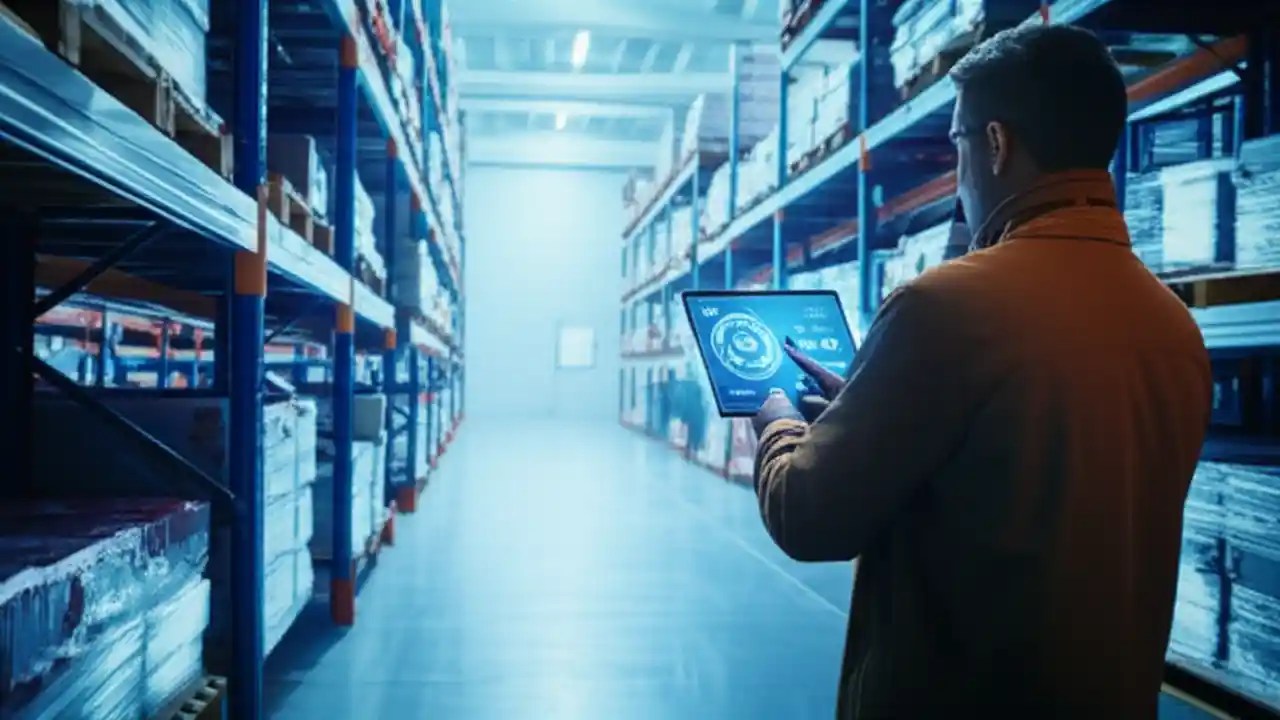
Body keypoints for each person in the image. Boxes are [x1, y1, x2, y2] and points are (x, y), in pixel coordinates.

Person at [750, 24, 1211, 719]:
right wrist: (865, 408)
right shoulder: (1172, 325)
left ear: (996, 144)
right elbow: (1031, 471)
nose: (959, 167)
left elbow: (806, 515)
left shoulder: (945, 306)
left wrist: (777, 420)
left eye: (957, 142)